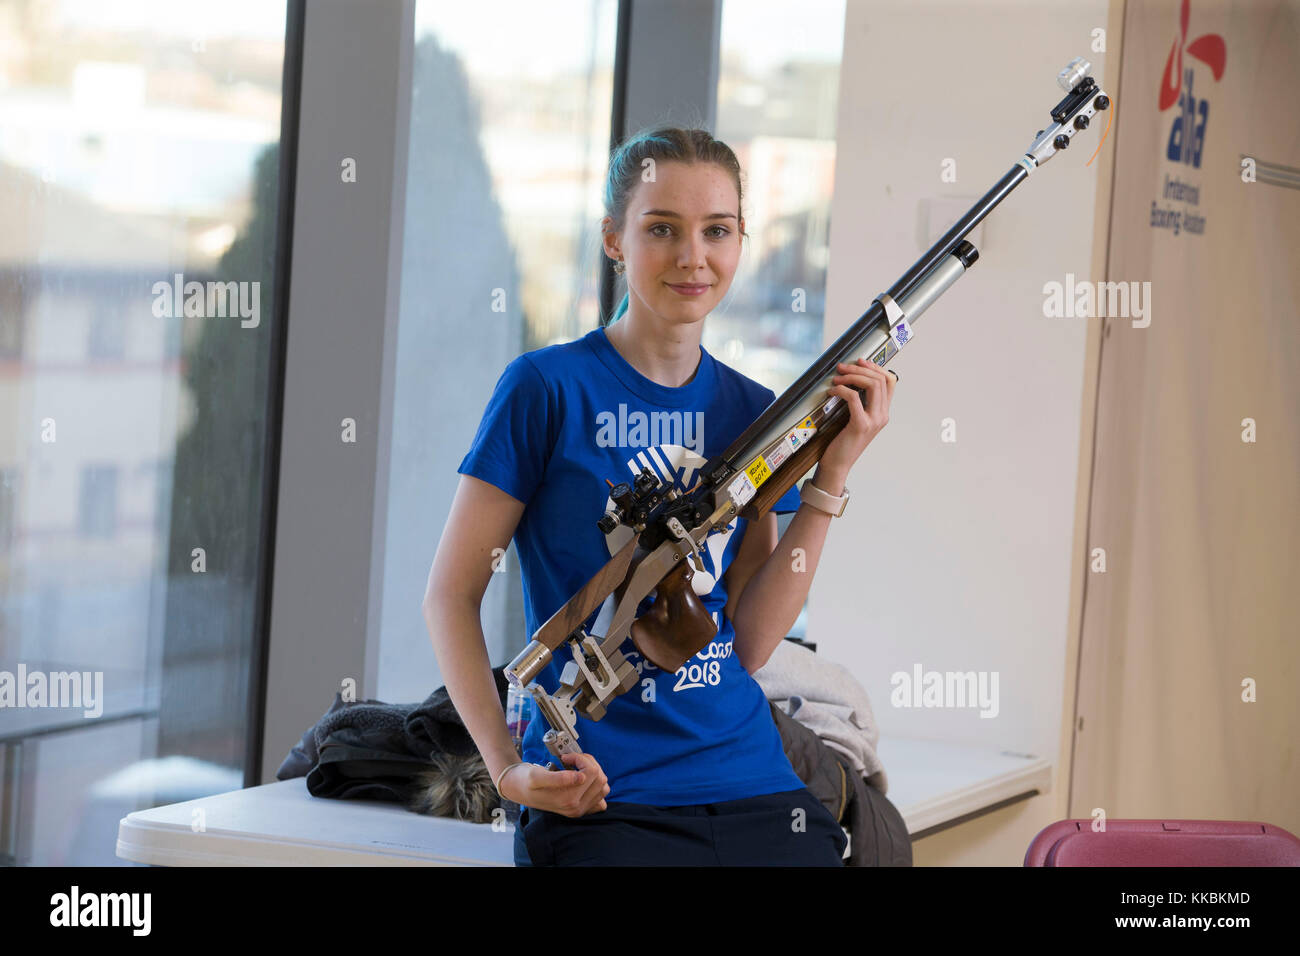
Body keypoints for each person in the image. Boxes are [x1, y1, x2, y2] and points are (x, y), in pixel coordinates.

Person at [422, 125, 896, 866]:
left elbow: (754, 637)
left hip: (748, 775)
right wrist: (508, 772)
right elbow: (450, 597)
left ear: (742, 241)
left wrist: (829, 479)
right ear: (614, 239)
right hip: (603, 794)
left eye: (717, 231)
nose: (692, 256)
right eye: (662, 229)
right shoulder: (545, 389)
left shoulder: (756, 411)